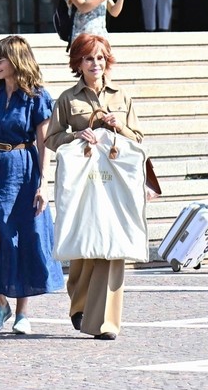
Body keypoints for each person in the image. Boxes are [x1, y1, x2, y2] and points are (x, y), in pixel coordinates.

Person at [44, 33, 145, 340]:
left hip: (114, 185)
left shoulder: (121, 96)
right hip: (84, 186)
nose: (96, 63)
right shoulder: (67, 98)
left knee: (113, 250)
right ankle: (79, 303)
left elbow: (138, 140)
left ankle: (105, 324)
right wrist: (78, 135)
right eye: (89, 58)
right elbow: (50, 139)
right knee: (86, 246)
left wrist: (120, 126)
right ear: (79, 62)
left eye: (100, 58)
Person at [0, 35, 63, 335]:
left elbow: (43, 144)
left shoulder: (37, 97)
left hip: (22, 168)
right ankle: (0, 302)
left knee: (21, 238)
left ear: (17, 61)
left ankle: (22, 312)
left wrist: (43, 184)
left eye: (1, 58)